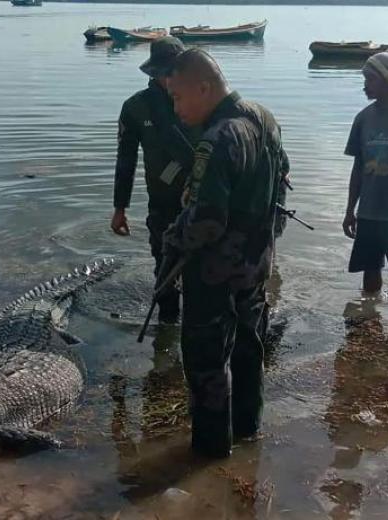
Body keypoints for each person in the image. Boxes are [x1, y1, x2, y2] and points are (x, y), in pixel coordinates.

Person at [163, 49, 288, 458]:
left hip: (215, 273)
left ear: (204, 87)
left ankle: (211, 451)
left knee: (205, 362)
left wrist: (172, 238)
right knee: (249, 348)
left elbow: (207, 222)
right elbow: (281, 180)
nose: (175, 107)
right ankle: (248, 429)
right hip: (256, 264)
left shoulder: (217, 139)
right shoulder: (264, 117)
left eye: (178, 97)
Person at [111, 36, 198, 324]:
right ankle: (165, 341)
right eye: (165, 72)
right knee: (165, 276)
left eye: (176, 71)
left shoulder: (203, 98)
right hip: (162, 206)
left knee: (206, 278)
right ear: (154, 72)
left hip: (205, 202)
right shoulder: (136, 107)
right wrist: (120, 208)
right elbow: (125, 160)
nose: (170, 78)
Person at [342, 52, 388, 296]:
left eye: (370, 79)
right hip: (369, 213)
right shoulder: (363, 119)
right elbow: (357, 169)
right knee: (370, 273)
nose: (364, 86)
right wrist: (350, 211)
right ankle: (370, 318)